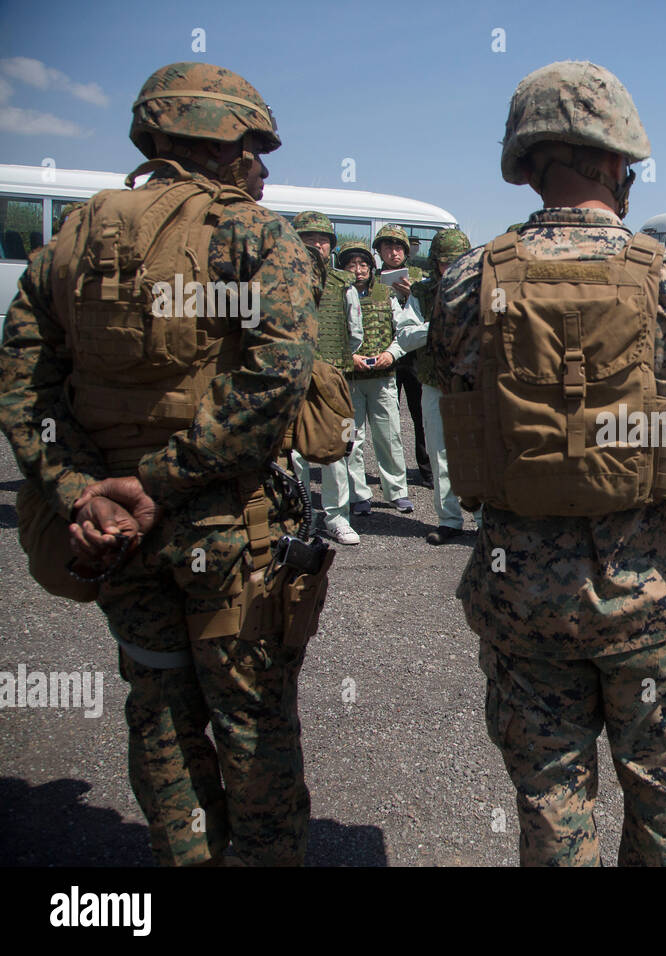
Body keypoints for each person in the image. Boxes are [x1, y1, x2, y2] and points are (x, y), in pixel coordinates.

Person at [430, 60, 666, 866]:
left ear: (525, 164)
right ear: (621, 162)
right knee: (665, 793)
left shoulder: (460, 286)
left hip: (521, 601)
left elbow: (463, 420)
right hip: (649, 605)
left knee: (551, 801)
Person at [0, 62, 322, 864]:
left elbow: (24, 387)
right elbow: (275, 380)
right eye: (255, 148)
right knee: (251, 719)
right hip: (226, 528)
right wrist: (160, 483)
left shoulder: (69, 241)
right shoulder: (251, 233)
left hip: (114, 536)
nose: (263, 168)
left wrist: (84, 493)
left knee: (157, 710)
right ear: (222, 144)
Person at [292, 211, 365, 544]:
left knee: (338, 449)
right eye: (309, 239)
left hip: (334, 381)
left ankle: (337, 517)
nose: (317, 245)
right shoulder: (279, 279)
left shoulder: (343, 283)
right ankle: (298, 516)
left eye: (322, 240)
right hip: (292, 379)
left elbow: (356, 334)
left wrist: (332, 366)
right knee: (293, 453)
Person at [336, 240, 419, 517]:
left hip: (383, 379)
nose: (358, 271)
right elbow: (329, 336)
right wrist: (350, 359)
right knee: (351, 438)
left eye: (363, 265)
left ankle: (397, 491)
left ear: (371, 268)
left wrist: (391, 354)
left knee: (390, 436)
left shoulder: (386, 295)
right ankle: (358, 494)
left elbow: (404, 332)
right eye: (351, 265)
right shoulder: (336, 295)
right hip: (349, 381)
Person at [411, 226, 473, 544]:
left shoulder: (480, 289)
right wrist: (437, 324)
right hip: (435, 383)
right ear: (434, 262)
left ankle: (485, 520)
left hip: (471, 384)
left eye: (457, 261)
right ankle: (449, 519)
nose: (450, 268)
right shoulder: (420, 293)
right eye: (444, 262)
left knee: (477, 452)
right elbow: (406, 333)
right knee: (440, 455)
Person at [374, 224, 434, 489]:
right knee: (388, 420)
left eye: (398, 247)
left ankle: (428, 470)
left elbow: (428, 317)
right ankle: (393, 476)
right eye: (388, 247)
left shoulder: (420, 278)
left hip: (414, 357)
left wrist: (411, 294)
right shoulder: (372, 279)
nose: (394, 252)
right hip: (384, 355)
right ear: (379, 251)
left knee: (422, 416)